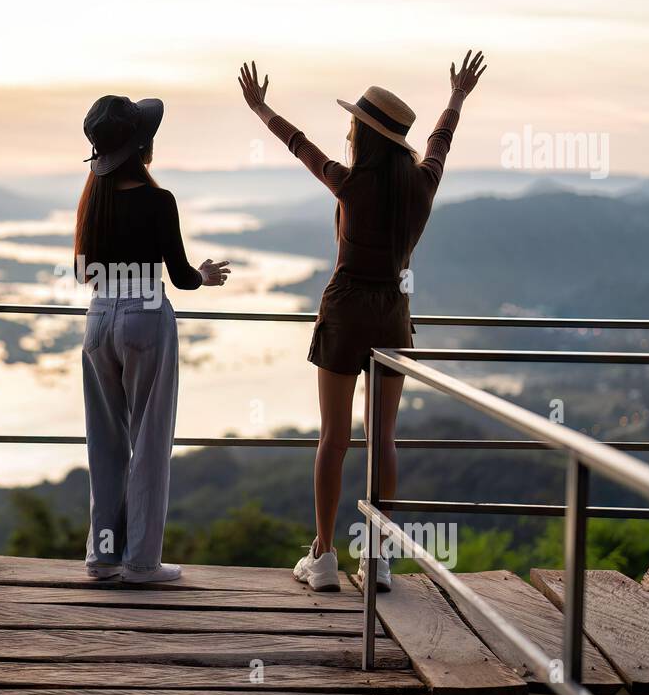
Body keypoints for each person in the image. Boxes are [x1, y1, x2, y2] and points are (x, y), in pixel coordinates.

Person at [237, 52, 486, 591]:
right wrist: (457, 96)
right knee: (384, 440)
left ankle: (323, 556)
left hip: (346, 309)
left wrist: (261, 108)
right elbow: (441, 142)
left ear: (362, 136)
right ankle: (377, 559)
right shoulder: (422, 184)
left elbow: (299, 144)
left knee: (333, 438)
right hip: (393, 312)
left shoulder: (350, 183)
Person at [75, 95, 231, 583]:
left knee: (105, 441)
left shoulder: (92, 202)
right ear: (142, 146)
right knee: (150, 438)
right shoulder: (159, 201)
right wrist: (203, 276)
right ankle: (142, 562)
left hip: (98, 318)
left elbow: (84, 273)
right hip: (144, 317)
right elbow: (181, 277)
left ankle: (103, 556)